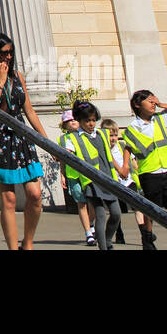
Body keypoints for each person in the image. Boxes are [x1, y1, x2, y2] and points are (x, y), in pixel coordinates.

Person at [0, 31, 47, 249]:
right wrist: (1, 81)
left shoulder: (18, 76)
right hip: (0, 138)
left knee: (35, 195)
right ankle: (13, 247)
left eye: (11, 53)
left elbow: (29, 110)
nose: (9, 57)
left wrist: (44, 139)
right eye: (4, 53)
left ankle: (28, 243)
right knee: (9, 199)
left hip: (21, 136)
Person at [124, 89, 167, 249]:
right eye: (149, 101)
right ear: (138, 105)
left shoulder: (159, 119)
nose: (153, 103)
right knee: (152, 209)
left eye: (153, 100)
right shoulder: (132, 128)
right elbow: (128, 148)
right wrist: (125, 166)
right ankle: (147, 237)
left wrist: (160, 104)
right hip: (149, 172)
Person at [69, 100, 128, 251]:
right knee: (100, 215)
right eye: (87, 120)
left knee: (116, 214)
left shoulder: (102, 134)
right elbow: (68, 154)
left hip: (108, 179)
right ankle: (103, 246)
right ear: (79, 120)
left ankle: (107, 241)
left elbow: (108, 156)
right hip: (91, 182)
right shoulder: (74, 138)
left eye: (93, 120)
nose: (91, 123)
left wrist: (120, 169)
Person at [104, 118, 153, 250]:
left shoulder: (121, 145)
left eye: (115, 135)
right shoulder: (104, 149)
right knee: (117, 211)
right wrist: (119, 170)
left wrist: (136, 168)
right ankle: (118, 233)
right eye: (110, 135)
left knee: (137, 207)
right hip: (114, 183)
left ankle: (144, 234)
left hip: (128, 181)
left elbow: (131, 160)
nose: (113, 138)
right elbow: (111, 161)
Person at [58, 111, 96, 246]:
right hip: (73, 175)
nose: (73, 122)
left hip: (88, 174)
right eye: (69, 121)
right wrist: (62, 174)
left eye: (75, 119)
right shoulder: (63, 140)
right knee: (81, 203)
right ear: (65, 125)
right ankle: (88, 233)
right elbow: (62, 159)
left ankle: (91, 223)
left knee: (93, 203)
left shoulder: (86, 135)